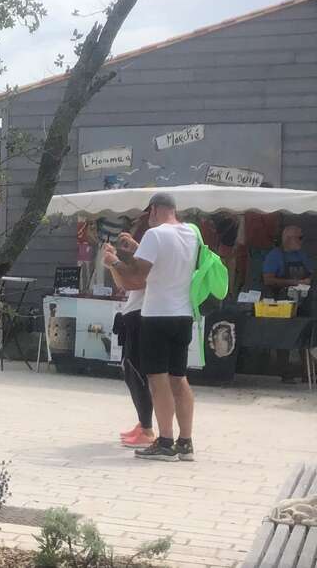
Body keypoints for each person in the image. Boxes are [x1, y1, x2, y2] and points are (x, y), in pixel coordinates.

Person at [104, 192, 197, 462]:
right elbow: (165, 265)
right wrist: (136, 250)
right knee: (179, 379)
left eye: (149, 213)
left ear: (155, 209)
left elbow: (135, 277)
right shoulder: (191, 233)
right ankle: (186, 442)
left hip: (157, 315)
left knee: (158, 380)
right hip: (183, 314)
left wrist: (113, 262)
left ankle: (165, 442)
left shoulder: (156, 235)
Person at [106, 213, 154, 448]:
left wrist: (113, 262)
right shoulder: (146, 257)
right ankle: (143, 423)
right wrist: (116, 260)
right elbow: (129, 277)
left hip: (140, 317)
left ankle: (147, 428)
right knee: (130, 371)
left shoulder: (152, 259)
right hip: (135, 315)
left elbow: (130, 281)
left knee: (136, 373)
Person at [262, 224, 311, 383]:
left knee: (306, 334)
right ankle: (285, 372)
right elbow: (268, 279)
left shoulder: (301, 255)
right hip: (281, 303)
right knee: (283, 337)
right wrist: (293, 282)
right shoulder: (274, 256)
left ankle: (308, 373)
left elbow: (310, 272)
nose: (302, 241)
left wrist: (308, 280)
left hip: (302, 301)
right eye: (300, 238)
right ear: (289, 239)